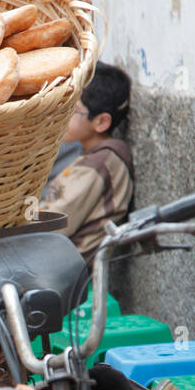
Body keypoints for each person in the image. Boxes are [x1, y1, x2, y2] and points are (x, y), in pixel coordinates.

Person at [39, 62, 134, 259]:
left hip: (62, 267)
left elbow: (54, 224)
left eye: (73, 110)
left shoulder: (99, 165)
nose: (62, 115)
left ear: (101, 122)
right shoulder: (90, 155)